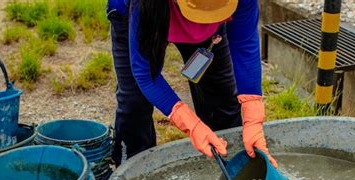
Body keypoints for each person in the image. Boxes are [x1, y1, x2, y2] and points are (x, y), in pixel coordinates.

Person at [106, 0, 277, 167]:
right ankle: (130, 173)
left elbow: (244, 45)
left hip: (210, 30)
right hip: (143, 11)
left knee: (221, 99)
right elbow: (145, 74)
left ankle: (231, 166)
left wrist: (253, 118)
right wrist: (191, 125)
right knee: (134, 102)